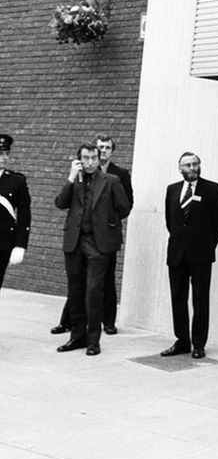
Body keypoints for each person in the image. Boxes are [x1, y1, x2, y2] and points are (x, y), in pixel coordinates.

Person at [51, 134, 133, 335]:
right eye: (86, 158)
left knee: (95, 289)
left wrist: (107, 223)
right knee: (76, 289)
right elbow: (60, 203)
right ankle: (75, 334)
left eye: (94, 157)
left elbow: (124, 207)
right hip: (76, 241)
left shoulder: (114, 177)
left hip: (100, 241)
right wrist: (70, 178)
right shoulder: (76, 179)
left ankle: (96, 335)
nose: (91, 161)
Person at [161, 152, 218, 359]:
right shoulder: (172, 190)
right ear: (180, 168)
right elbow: (170, 221)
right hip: (177, 254)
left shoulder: (212, 189)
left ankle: (198, 343)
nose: (192, 168)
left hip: (201, 255)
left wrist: (206, 244)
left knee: (200, 299)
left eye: (195, 164)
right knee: (178, 298)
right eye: (187, 165)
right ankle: (182, 340)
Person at [0, 134, 30, 293]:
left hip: (2, 243)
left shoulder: (16, 181)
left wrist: (20, 245)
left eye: (7, 154)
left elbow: (25, 216)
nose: (4, 158)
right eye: (0, 154)